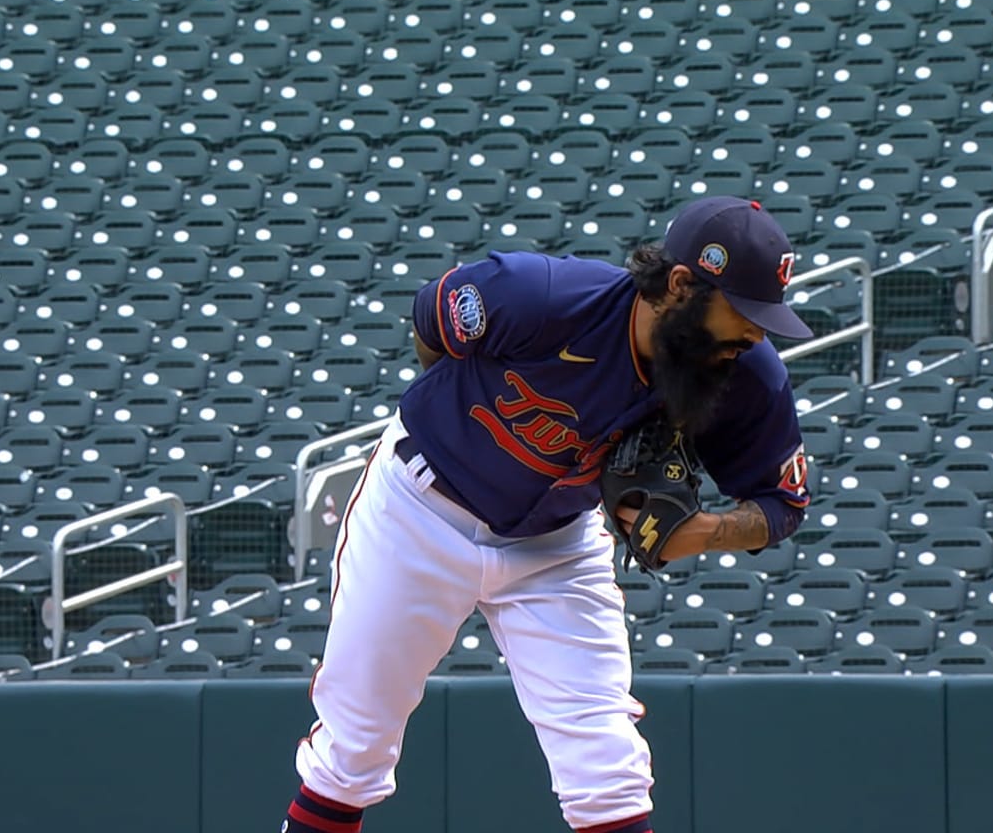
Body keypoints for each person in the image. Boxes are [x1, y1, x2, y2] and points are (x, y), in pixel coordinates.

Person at [278, 196, 815, 833]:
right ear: (679, 285)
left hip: (558, 544)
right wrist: (467, 437)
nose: (756, 333)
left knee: (606, 767)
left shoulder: (745, 374)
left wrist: (704, 534)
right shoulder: (541, 297)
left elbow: (782, 504)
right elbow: (433, 323)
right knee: (354, 747)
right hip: (419, 513)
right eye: (745, 312)